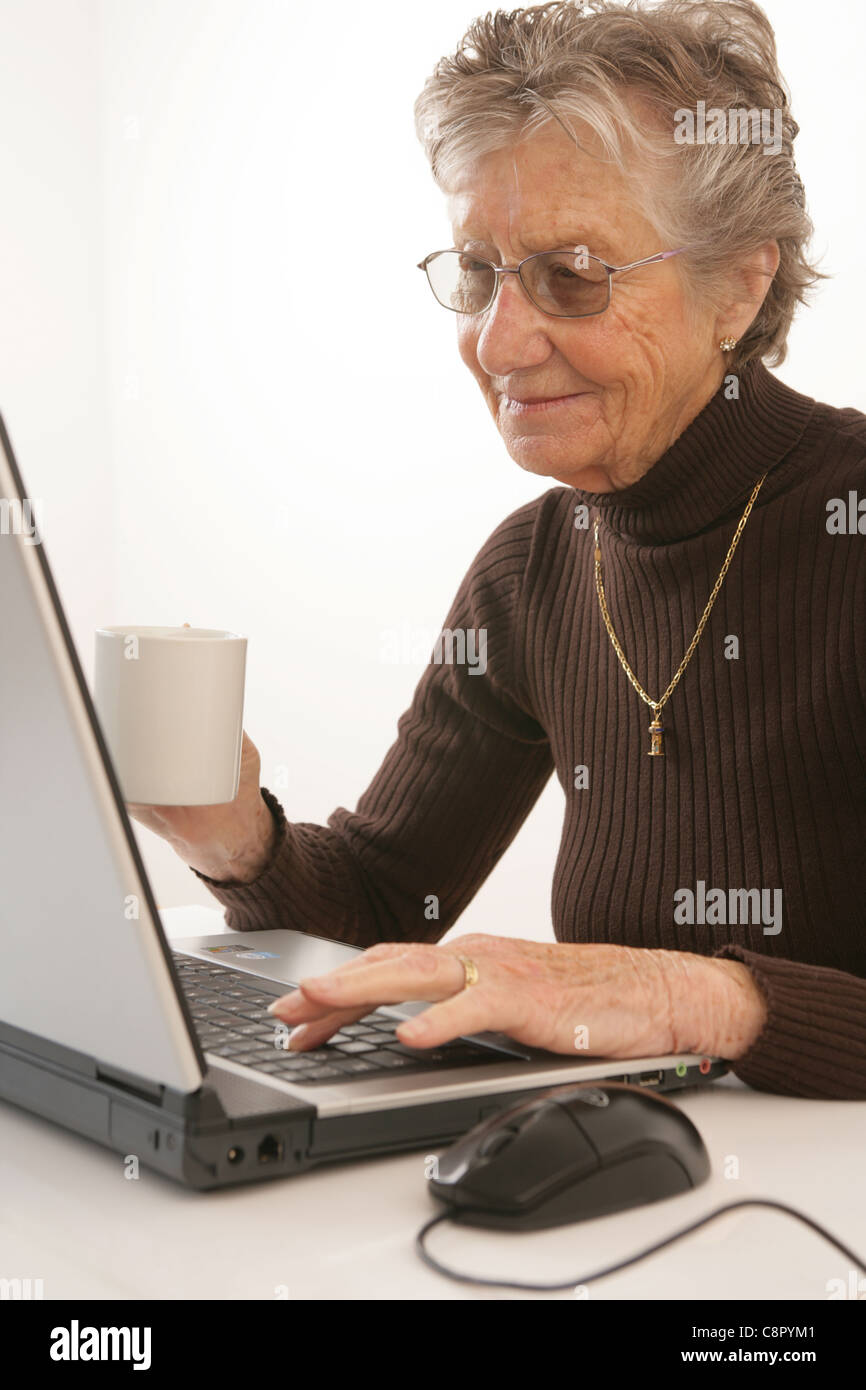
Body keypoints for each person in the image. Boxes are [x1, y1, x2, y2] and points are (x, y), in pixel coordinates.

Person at [130, 0, 866, 1099]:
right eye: (479, 272)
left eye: (574, 272)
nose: (497, 340)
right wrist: (237, 837)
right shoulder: (534, 569)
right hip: (635, 1174)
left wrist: (703, 1000)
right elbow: (379, 907)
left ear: (739, 285)